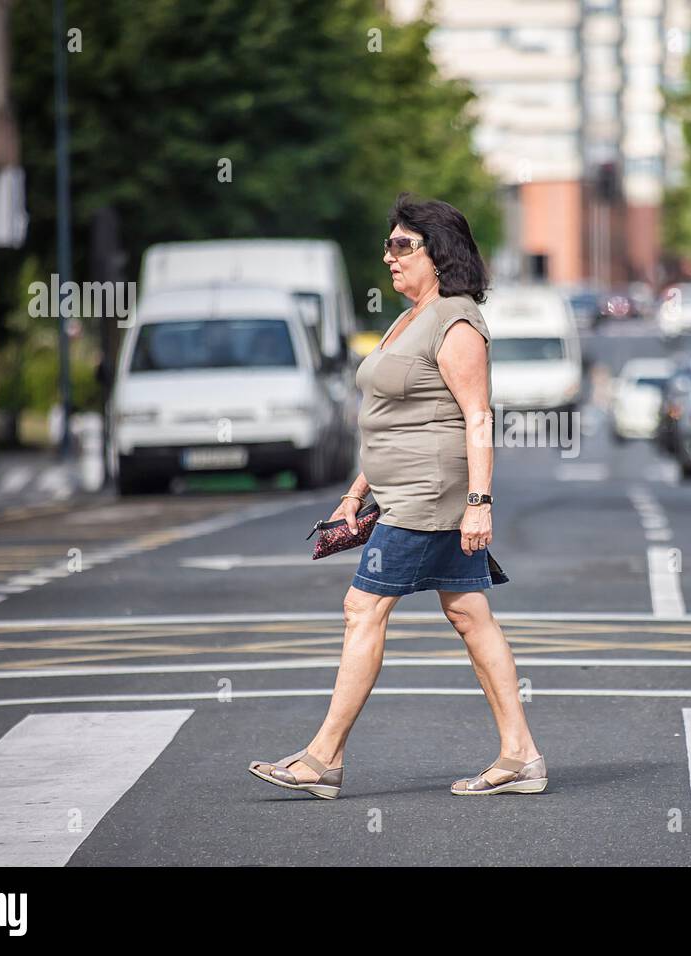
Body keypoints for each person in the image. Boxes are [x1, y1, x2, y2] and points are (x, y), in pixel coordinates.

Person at [247, 193, 546, 797]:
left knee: (364, 608)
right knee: (468, 613)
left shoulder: (455, 321)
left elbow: (477, 417)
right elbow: (386, 414)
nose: (389, 256)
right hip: (400, 490)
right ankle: (522, 757)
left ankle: (322, 758)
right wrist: (356, 492)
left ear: (439, 253)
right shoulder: (410, 316)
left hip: (429, 497)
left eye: (402, 245)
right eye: (388, 244)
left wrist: (479, 502)